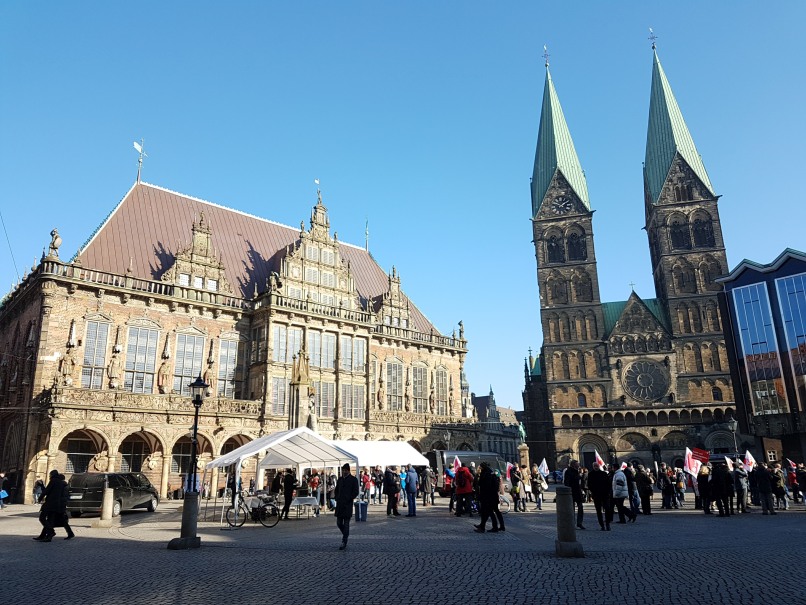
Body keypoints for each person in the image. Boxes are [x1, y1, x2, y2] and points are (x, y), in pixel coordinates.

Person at [334, 463, 359, 550]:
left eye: (345, 470)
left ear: (348, 471)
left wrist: (350, 498)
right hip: (340, 504)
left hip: (347, 504)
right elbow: (336, 490)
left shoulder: (353, 479)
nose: (344, 472)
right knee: (339, 523)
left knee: (347, 523)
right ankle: (346, 534)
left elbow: (356, 491)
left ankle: (344, 541)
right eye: (343, 470)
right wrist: (337, 497)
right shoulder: (340, 479)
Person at [34, 469, 63, 542]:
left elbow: (46, 491)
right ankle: (44, 536)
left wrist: (40, 498)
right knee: (49, 520)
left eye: (50, 475)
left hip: (50, 503)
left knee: (42, 518)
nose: (49, 476)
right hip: (56, 504)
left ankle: (51, 532)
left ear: (52, 475)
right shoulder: (60, 482)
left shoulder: (53, 481)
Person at [474, 462, 503, 533]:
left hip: (487, 496)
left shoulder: (485, 474)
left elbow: (483, 485)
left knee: (488, 512)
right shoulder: (491, 473)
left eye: (480, 467)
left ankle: (488, 527)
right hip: (493, 496)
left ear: (482, 467)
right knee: (489, 512)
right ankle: (483, 526)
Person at [587, 463, 612, 531]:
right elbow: (589, 484)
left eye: (597, 466)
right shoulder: (590, 474)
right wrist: (593, 491)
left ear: (599, 466)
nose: (596, 467)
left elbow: (608, 483)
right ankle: (602, 525)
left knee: (607, 509)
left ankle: (607, 524)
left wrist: (608, 492)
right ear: (593, 467)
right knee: (598, 511)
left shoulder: (604, 474)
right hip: (596, 495)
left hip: (605, 494)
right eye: (594, 466)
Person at [563, 459, 585, 529]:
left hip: (578, 492)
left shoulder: (577, 471)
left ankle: (579, 523)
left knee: (580, 507)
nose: (578, 465)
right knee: (571, 509)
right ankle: (572, 523)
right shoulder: (568, 471)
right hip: (572, 492)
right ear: (573, 465)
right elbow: (567, 482)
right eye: (577, 464)